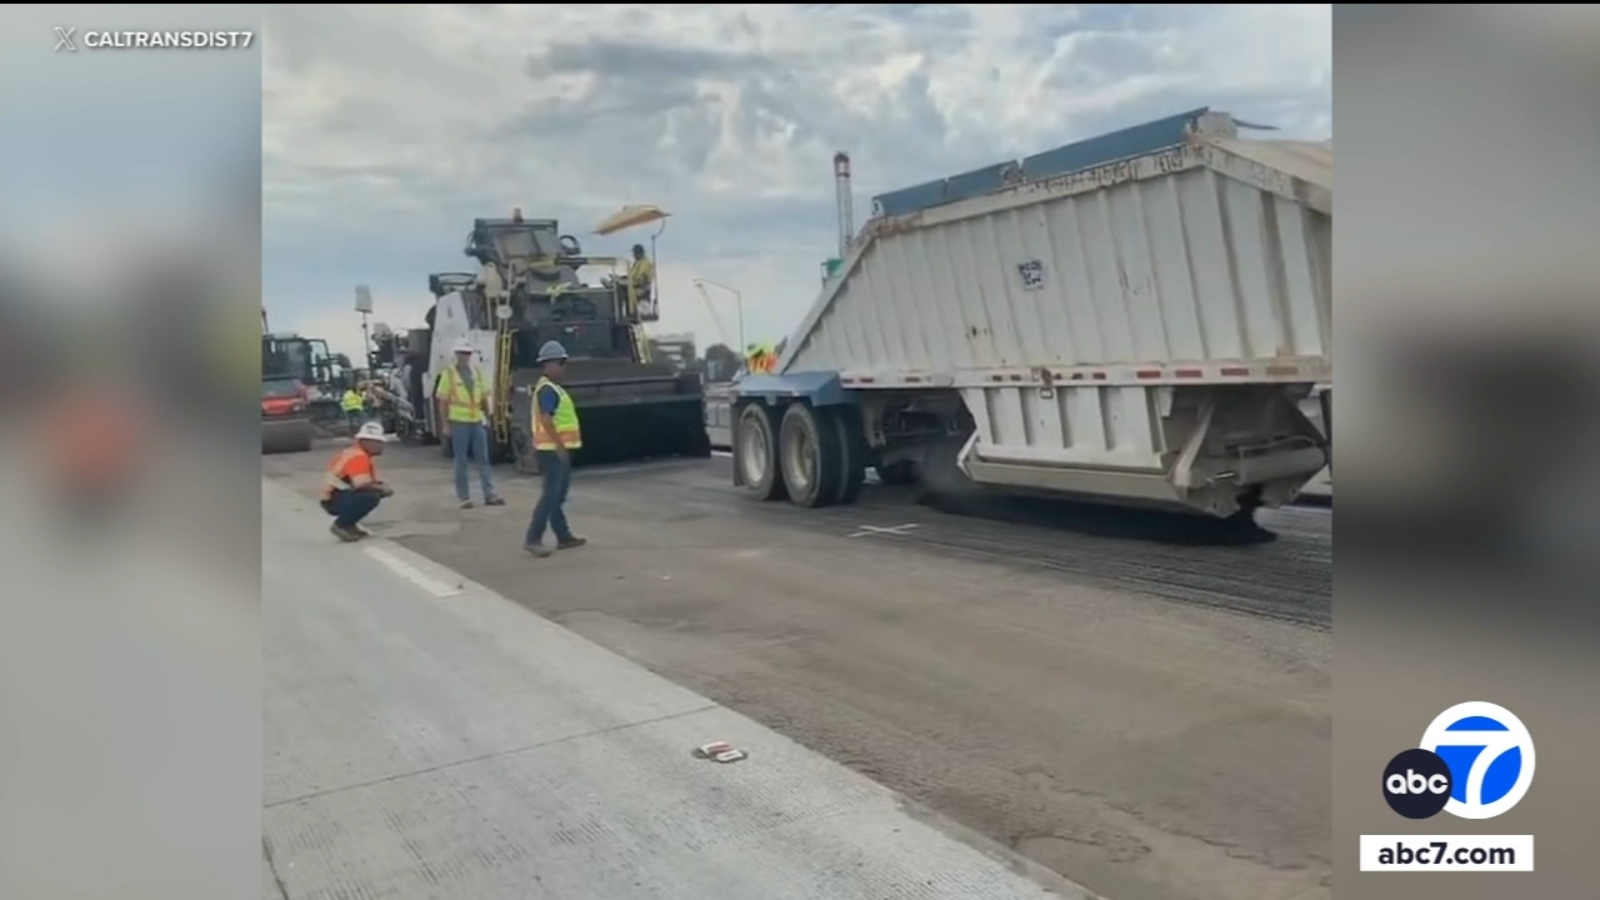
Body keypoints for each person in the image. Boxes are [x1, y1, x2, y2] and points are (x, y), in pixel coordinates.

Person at [523, 340, 586, 558]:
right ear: (548, 365)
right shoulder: (548, 390)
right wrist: (560, 446)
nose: (563, 367)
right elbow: (546, 419)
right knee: (550, 496)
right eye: (561, 363)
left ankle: (563, 536)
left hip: (555, 449)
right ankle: (533, 538)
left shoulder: (553, 389)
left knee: (557, 496)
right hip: (552, 450)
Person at [435, 339, 505, 510]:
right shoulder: (449, 374)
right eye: (462, 353)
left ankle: (490, 494)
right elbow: (442, 401)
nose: (465, 357)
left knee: (484, 459)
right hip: (459, 422)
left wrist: (488, 418)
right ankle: (464, 498)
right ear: (456, 355)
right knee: (461, 460)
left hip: (476, 421)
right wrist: (445, 424)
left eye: (467, 354)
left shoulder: (477, 373)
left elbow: (483, 398)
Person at [321, 421, 395, 542]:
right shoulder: (359, 457)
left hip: (334, 495)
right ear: (366, 442)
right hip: (335, 498)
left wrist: (379, 485)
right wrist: (382, 488)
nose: (381, 446)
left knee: (372, 492)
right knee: (370, 497)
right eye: (378, 442)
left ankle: (349, 525)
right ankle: (342, 525)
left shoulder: (355, 453)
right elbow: (361, 483)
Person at [627, 243, 654, 316]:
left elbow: (641, 277)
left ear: (639, 253)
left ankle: (630, 311)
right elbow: (633, 275)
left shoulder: (645, 262)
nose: (633, 255)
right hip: (635, 287)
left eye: (634, 253)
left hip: (641, 289)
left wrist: (631, 281)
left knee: (624, 293)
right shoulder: (637, 263)